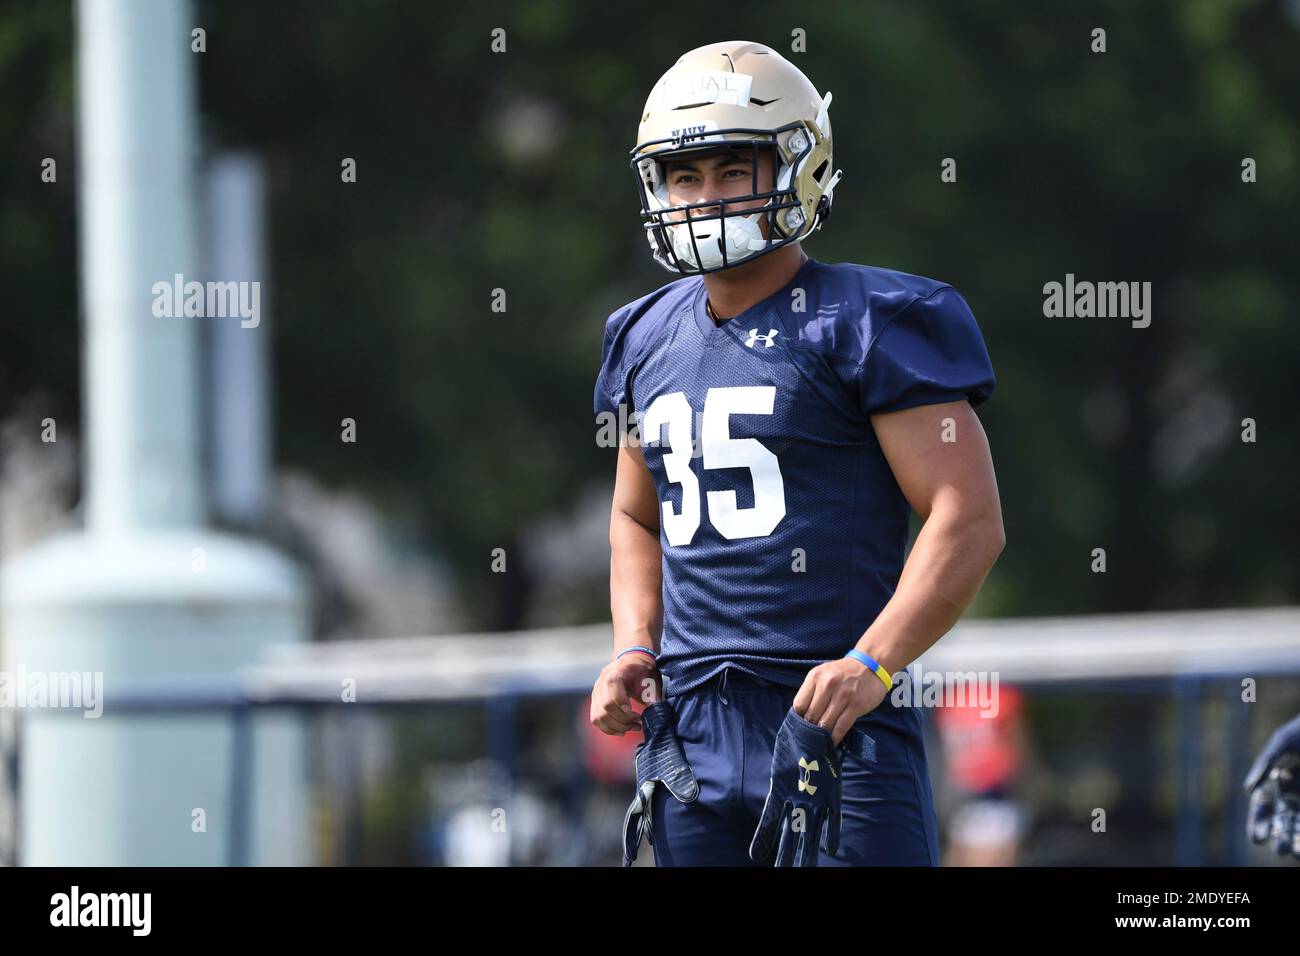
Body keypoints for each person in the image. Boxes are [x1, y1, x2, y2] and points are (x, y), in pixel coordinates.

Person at [590, 40, 1004, 866]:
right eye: (683, 176)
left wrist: (873, 665)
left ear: (797, 167)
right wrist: (635, 644)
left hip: (834, 722)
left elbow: (968, 517)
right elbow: (637, 515)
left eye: (731, 170)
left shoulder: (870, 318)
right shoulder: (643, 333)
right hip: (691, 735)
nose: (703, 198)